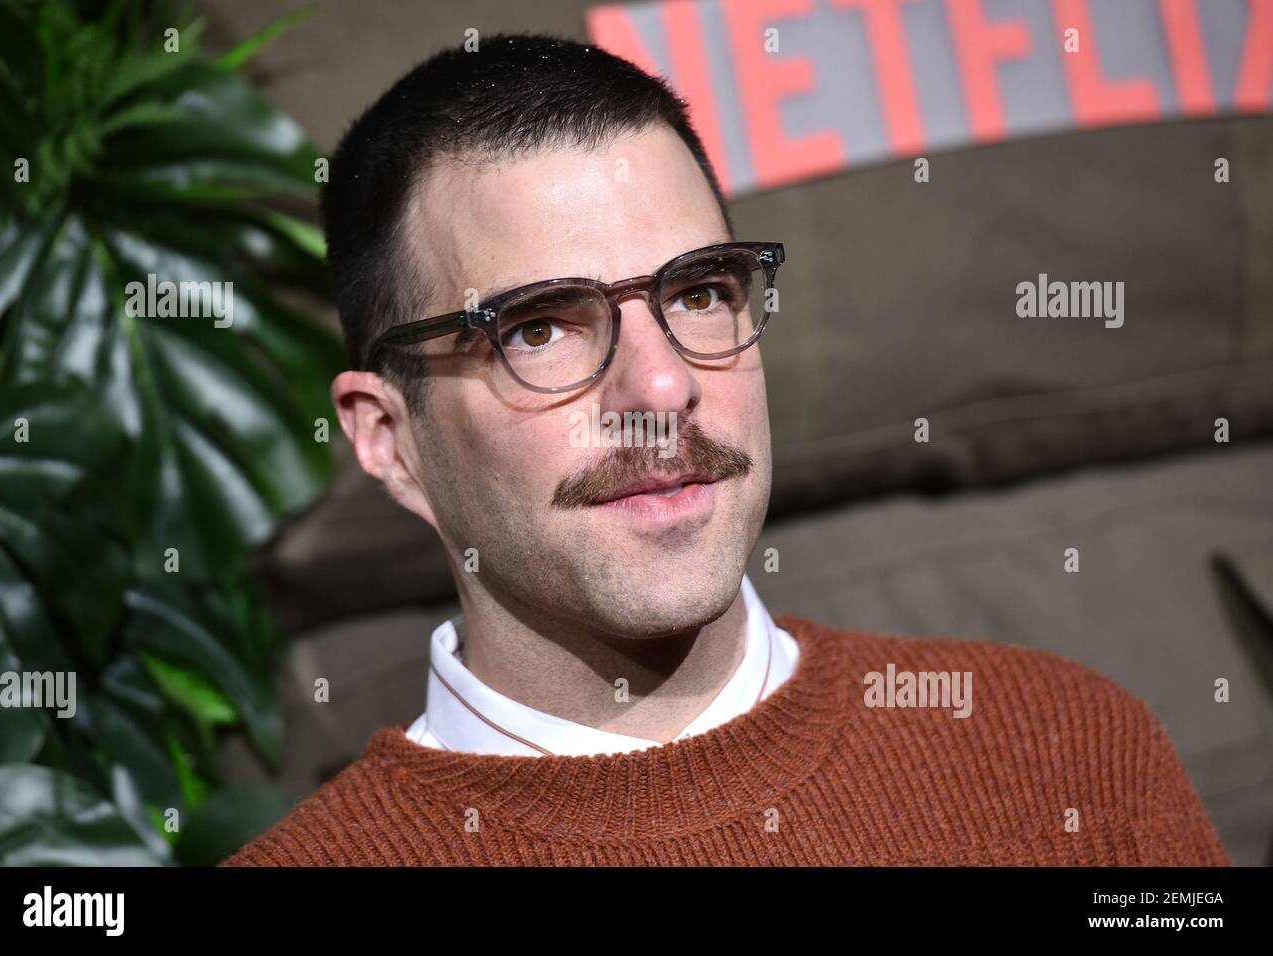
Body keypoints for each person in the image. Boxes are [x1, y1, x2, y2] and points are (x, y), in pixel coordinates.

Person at [224, 34, 1226, 866]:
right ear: (388, 439)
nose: (662, 388)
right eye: (537, 327)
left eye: (698, 293)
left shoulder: (1071, 752)